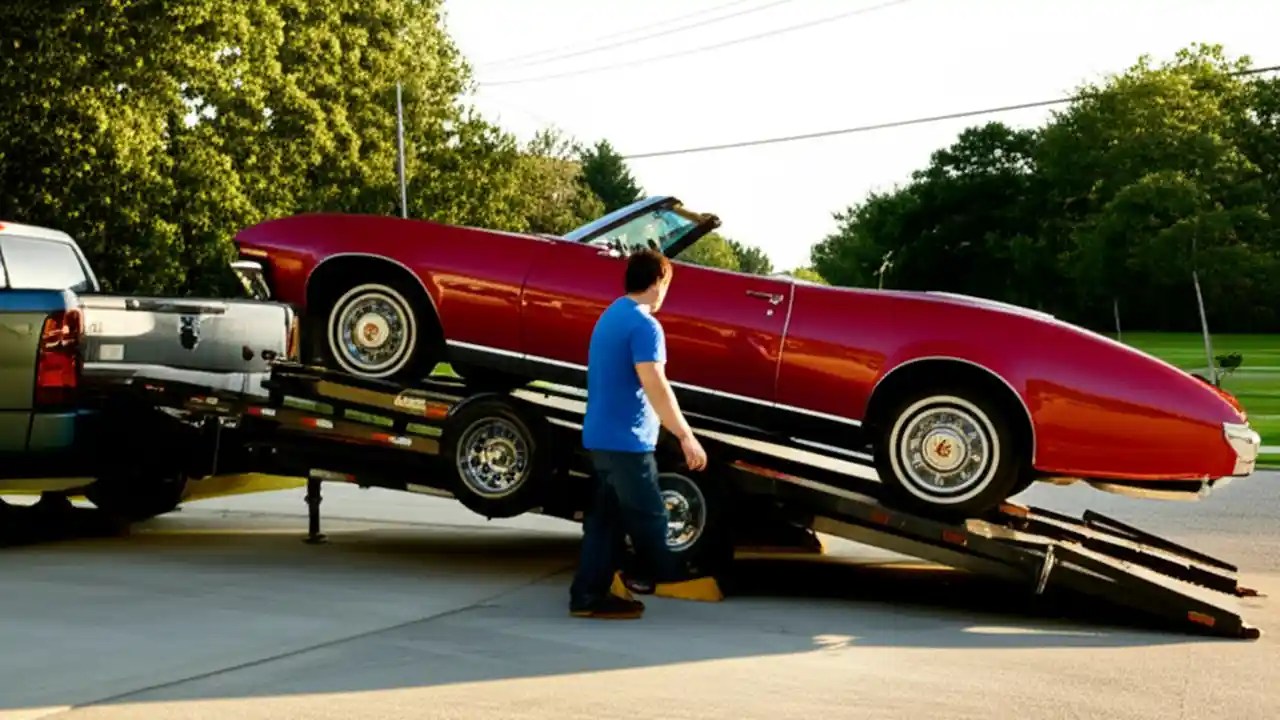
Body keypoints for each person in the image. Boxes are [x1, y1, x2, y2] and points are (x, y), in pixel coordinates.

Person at [568, 248, 708, 619]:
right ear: (659, 281)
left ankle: (587, 596)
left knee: (605, 523)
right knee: (651, 517)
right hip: (626, 442)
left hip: (601, 436)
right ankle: (657, 577)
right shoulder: (645, 325)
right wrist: (685, 435)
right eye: (667, 285)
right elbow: (655, 384)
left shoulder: (611, 314)